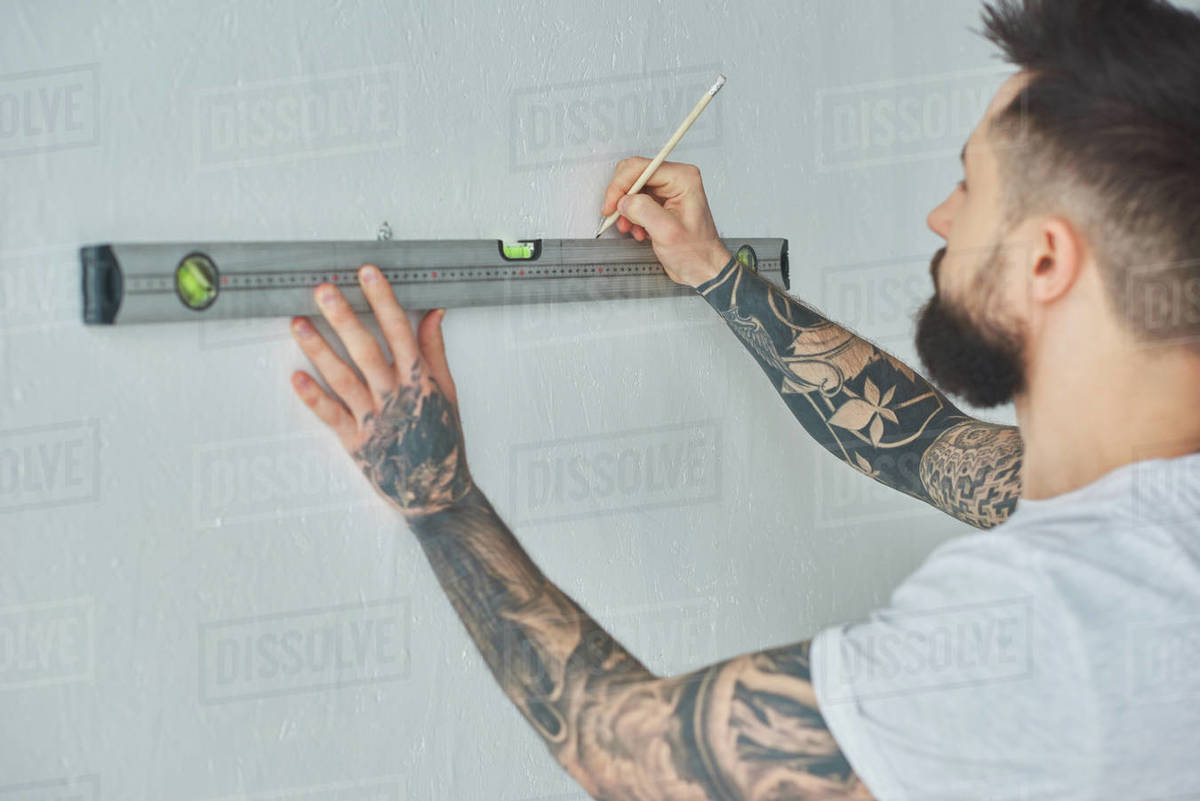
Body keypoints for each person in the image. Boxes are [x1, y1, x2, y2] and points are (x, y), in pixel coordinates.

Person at [285, 0, 1200, 797]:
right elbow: (923, 445)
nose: (941, 217)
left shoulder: (1054, 628)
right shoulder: (1160, 528)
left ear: (1045, 259)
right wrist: (718, 275)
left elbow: (629, 754)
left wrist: (440, 499)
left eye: (971, 184)